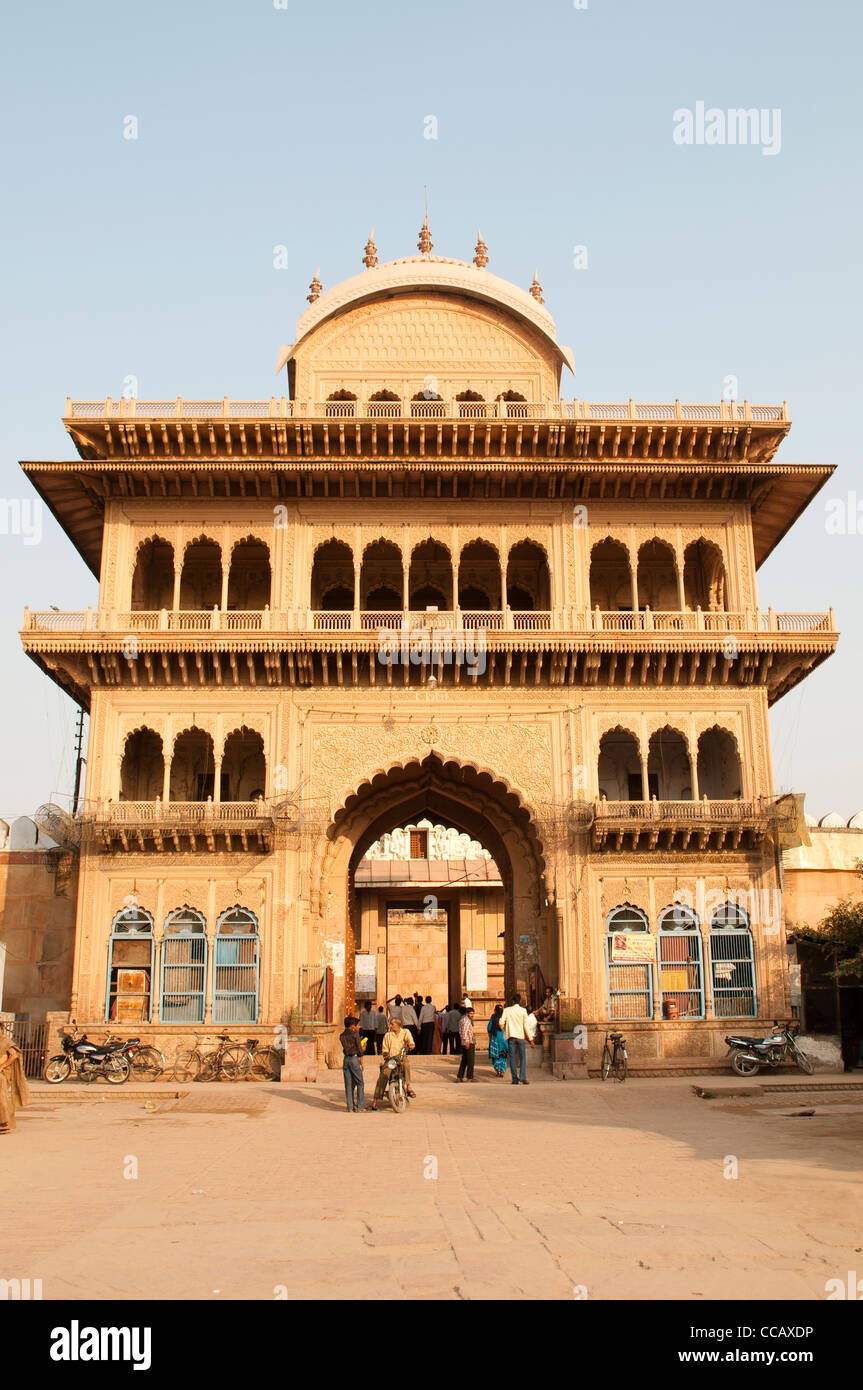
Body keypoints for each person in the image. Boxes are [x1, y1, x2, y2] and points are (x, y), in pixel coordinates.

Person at [369, 1015, 416, 1108]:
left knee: (406, 1064)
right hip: (391, 1059)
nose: (390, 1026)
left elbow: (410, 1041)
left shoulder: (405, 1032)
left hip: (401, 1057)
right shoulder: (388, 1035)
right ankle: (375, 1100)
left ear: (398, 1025)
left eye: (392, 1024)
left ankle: (408, 1086)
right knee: (383, 1075)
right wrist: (386, 1054)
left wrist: (411, 1045)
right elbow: (385, 1048)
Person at [500, 993, 535, 1085]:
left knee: (512, 1058)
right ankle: (523, 1076)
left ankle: (515, 1079)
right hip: (520, 1036)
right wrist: (531, 1039)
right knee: (522, 1057)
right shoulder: (523, 1011)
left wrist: (504, 1029)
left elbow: (501, 1022)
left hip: (511, 1036)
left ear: (512, 1001)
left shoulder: (507, 1010)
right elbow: (526, 1026)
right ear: (520, 1001)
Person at [0, 1031, 29, 1135]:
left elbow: (14, 1055)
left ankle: (4, 1124)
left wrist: (3, 1065)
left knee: (1, 1099)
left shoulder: (6, 1042)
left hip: (2, 1074)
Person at [339, 1015, 365, 1112]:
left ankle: (350, 1107)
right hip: (354, 1059)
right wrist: (362, 1051)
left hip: (346, 1059)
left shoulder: (342, 1036)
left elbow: (346, 1048)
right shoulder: (355, 1034)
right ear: (352, 1026)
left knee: (348, 1084)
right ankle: (360, 1106)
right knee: (360, 1083)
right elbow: (359, 1048)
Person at [487, 1003, 508, 1076]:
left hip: (495, 1037)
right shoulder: (505, 1017)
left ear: (495, 1010)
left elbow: (489, 1028)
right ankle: (502, 1070)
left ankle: (497, 1069)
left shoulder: (493, 1017)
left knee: (496, 1055)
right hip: (504, 1038)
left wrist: (490, 1035)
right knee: (503, 1054)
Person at [456, 1007, 476, 1081]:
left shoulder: (462, 1019)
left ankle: (460, 1076)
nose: (472, 1015)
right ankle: (470, 1077)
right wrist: (467, 1041)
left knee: (464, 1060)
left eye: (473, 1013)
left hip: (464, 1042)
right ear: (467, 1013)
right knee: (470, 1061)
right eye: (471, 1013)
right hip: (468, 1042)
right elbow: (464, 1032)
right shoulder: (466, 1021)